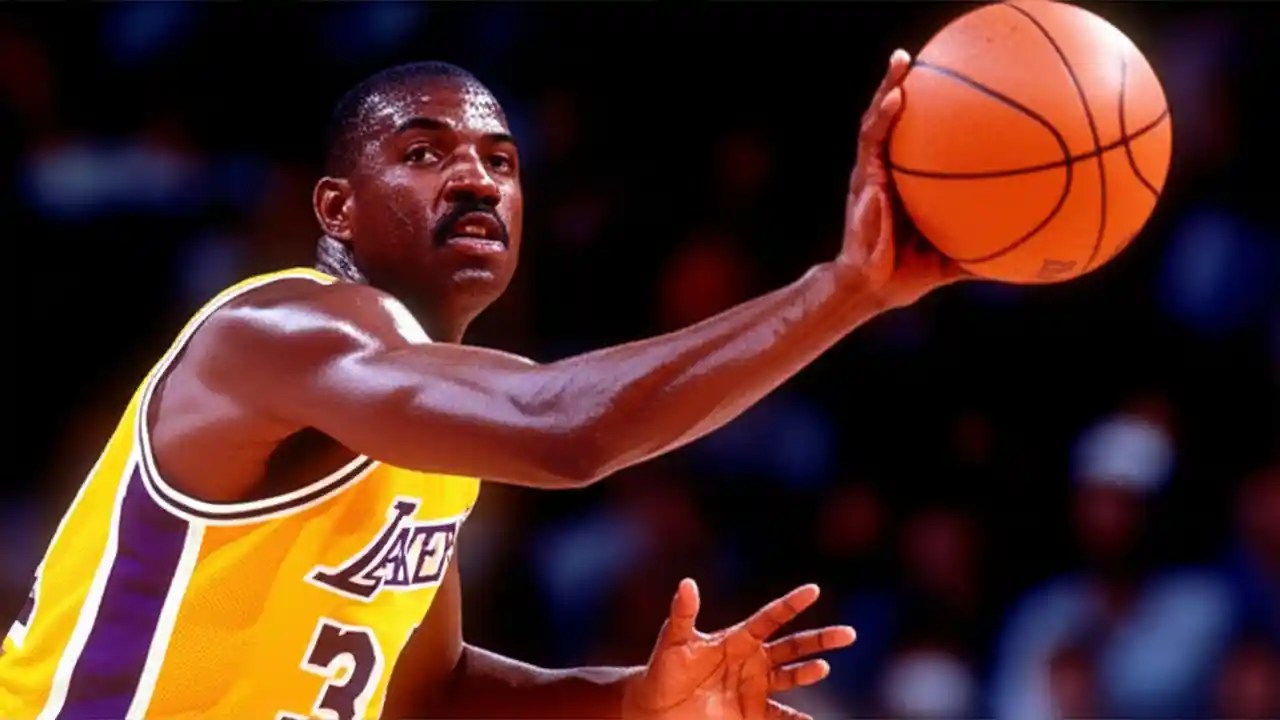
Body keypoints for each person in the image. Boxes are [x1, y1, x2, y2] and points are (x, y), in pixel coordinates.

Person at [1, 49, 964, 720]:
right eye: (426, 153)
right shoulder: (280, 331)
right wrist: (844, 291)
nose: (476, 177)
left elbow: (429, 689)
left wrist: (632, 698)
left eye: (500, 162)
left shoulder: (430, 432)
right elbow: (562, 430)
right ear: (335, 209)